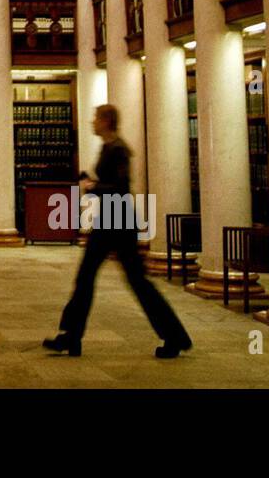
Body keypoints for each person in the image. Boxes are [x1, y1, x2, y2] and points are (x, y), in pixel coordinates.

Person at [43, 104, 192, 359]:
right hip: (109, 218)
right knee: (87, 276)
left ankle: (175, 336)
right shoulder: (108, 146)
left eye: (96, 118)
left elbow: (121, 187)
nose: (92, 122)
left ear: (106, 120)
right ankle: (71, 336)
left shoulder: (119, 149)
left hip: (120, 221)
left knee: (136, 281)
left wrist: (93, 187)